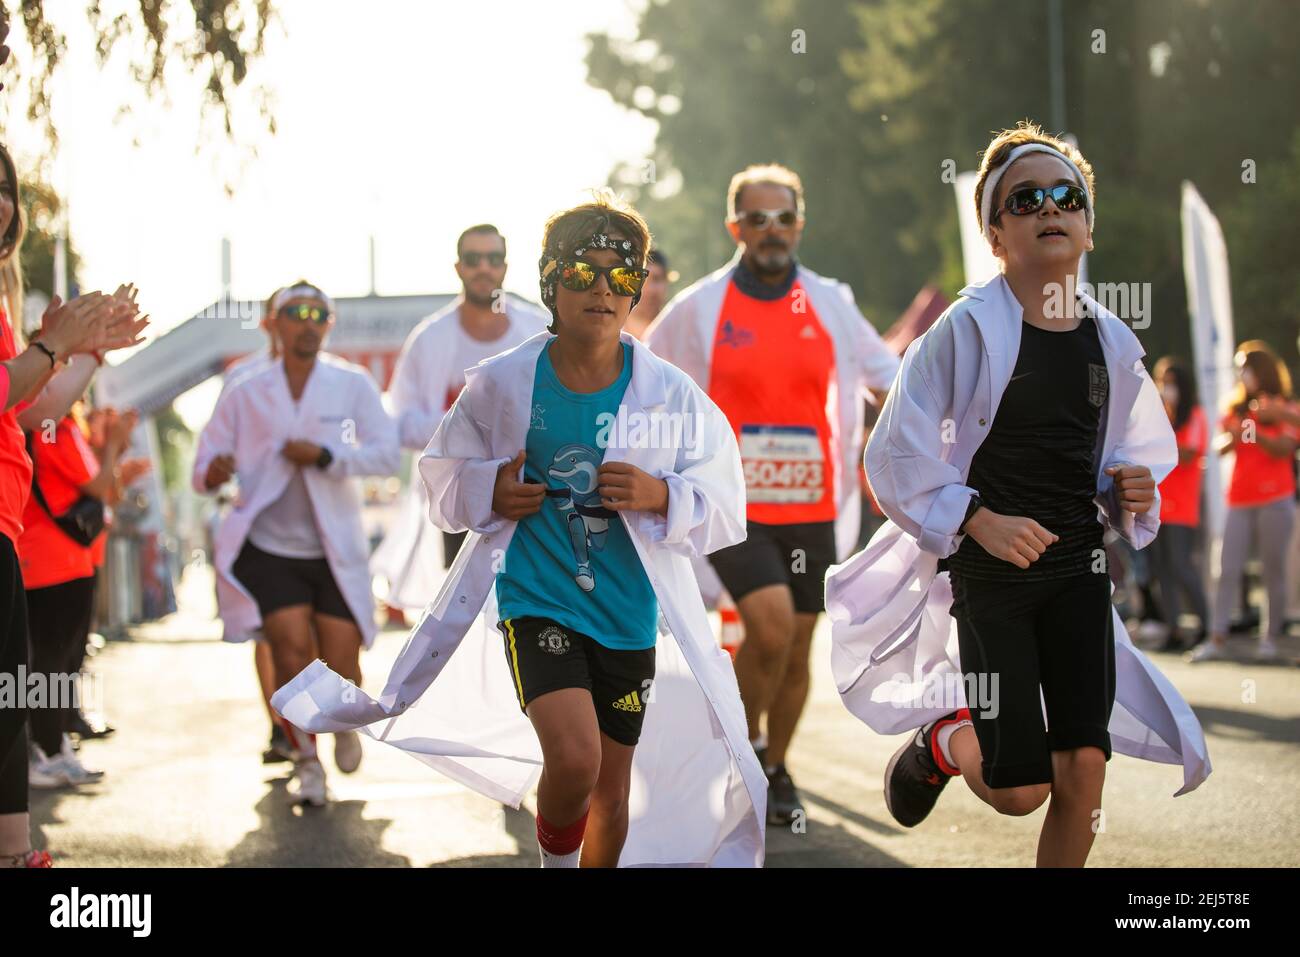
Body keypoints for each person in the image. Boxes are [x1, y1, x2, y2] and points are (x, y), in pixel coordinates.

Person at [273, 192, 767, 866]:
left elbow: (724, 504)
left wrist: (661, 492)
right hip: (537, 598)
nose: (602, 289)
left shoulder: (671, 395)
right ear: (549, 283)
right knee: (574, 757)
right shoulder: (503, 384)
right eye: (582, 273)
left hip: (627, 613)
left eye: (621, 276)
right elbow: (441, 479)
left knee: (613, 795)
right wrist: (490, 489)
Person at [826, 122, 1210, 867]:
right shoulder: (959, 332)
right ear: (996, 235)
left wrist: (1130, 487)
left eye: (1066, 196)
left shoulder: (1112, 342)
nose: (1049, 208)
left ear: (1088, 226)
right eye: (1025, 198)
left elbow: (1128, 454)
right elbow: (893, 454)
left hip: (1078, 571)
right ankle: (943, 741)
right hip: (991, 578)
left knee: (1084, 768)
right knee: (1019, 788)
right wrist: (976, 518)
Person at [645, 163, 898, 824]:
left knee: (795, 646)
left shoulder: (830, 301)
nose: (772, 231)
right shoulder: (698, 308)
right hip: (734, 505)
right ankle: (742, 746)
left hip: (813, 503)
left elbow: (890, 376)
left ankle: (772, 763)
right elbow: (643, 379)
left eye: (783, 218)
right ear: (735, 227)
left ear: (799, 224)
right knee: (770, 624)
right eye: (757, 219)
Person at [192, 281, 399, 805]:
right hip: (269, 547)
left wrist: (327, 456)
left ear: (329, 323)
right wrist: (214, 472)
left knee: (341, 664)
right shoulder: (245, 388)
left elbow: (384, 454)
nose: (308, 322)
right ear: (274, 323)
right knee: (288, 651)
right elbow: (207, 460)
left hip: (334, 549)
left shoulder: (351, 384)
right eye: (295, 312)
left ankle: (343, 722)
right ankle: (307, 760)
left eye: (318, 313)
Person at [0, 140, 149, 867]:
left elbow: (31, 404)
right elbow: (24, 401)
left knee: (25, 680)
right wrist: (53, 346)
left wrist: (82, 349)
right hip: (42, 554)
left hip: (32, 544)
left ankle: (16, 838)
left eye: (6, 187)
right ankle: (50, 746)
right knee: (36, 672)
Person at [374, 225, 548, 613]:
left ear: (505, 267)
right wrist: (471, 428)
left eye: (493, 259)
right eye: (473, 260)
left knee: (532, 606)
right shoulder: (429, 339)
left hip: (537, 494)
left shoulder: (537, 329)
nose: (483, 268)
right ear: (458, 267)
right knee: (469, 617)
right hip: (464, 501)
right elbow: (400, 423)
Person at [22, 403, 145, 786]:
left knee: (61, 659)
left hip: (65, 557)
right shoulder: (49, 424)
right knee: (50, 661)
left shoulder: (57, 423)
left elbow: (107, 490)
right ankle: (46, 748)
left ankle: (54, 743)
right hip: (50, 558)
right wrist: (110, 447)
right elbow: (96, 486)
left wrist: (114, 450)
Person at [1190, 341, 1299, 662]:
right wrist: (1234, 436)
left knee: (1272, 570)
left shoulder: (1283, 407)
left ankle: (1270, 638)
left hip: (1276, 498)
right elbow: (1220, 446)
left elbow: (1284, 449)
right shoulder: (1235, 407)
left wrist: (1260, 432)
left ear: (1261, 370)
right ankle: (1217, 637)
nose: (1242, 374)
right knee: (1228, 568)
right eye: (1239, 368)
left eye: (1246, 367)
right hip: (1239, 498)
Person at [1146, 357, 1209, 652]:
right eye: (1162, 382)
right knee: (1163, 570)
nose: (1166, 389)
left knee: (1182, 566)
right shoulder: (1156, 417)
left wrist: (1165, 427)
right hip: (1156, 504)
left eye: (1171, 383)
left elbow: (1187, 454)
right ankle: (1174, 629)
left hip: (1182, 506)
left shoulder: (1195, 416)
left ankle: (1207, 626)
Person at [623, 248, 676, 340]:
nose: (649, 290)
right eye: (641, 281)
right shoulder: (614, 331)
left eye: (656, 279)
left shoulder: (677, 332)